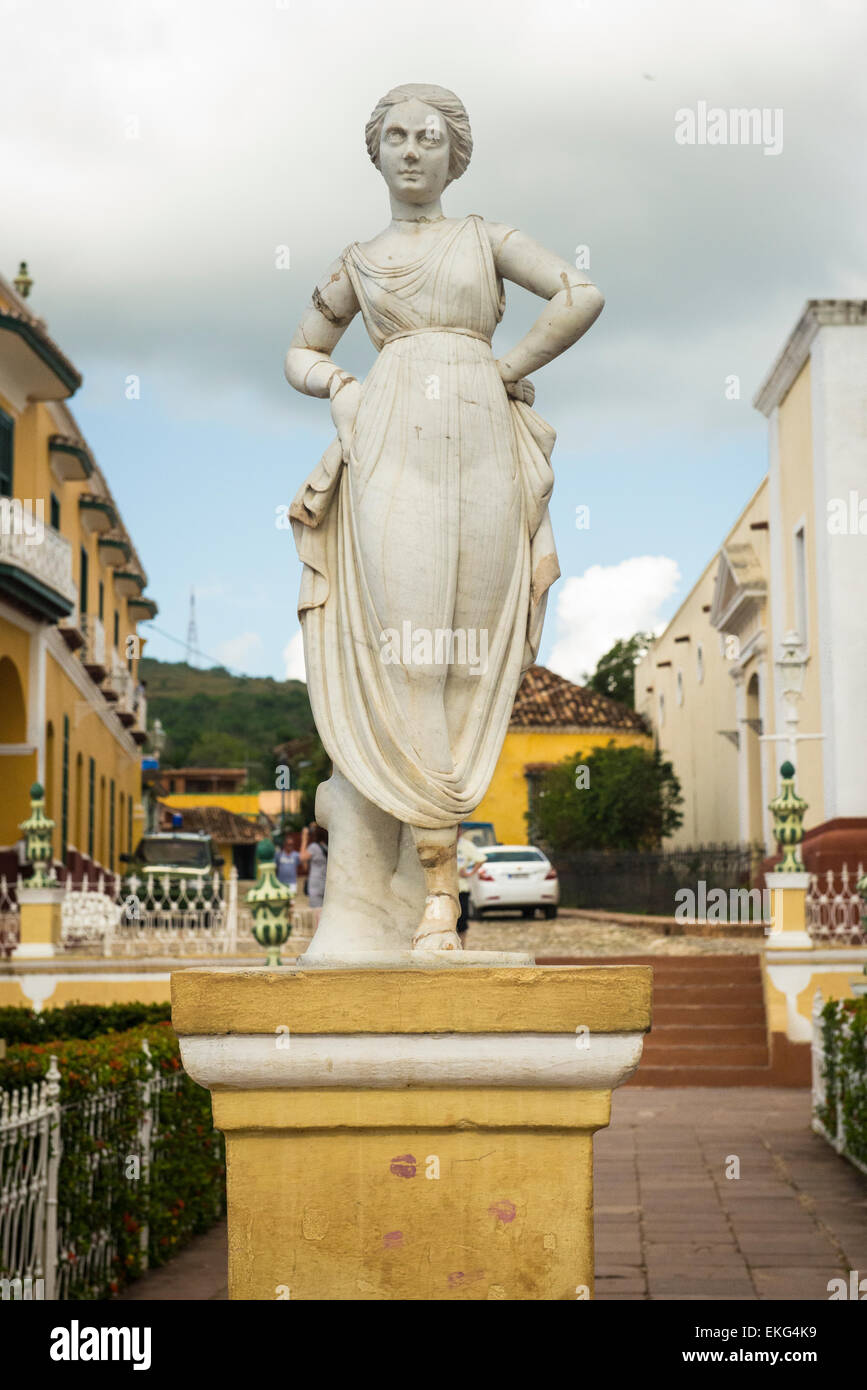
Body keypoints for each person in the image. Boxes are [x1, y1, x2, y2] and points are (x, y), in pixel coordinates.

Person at [285, 83, 603, 952]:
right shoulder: (356, 260)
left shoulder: (485, 238)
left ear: (454, 154)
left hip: (481, 444)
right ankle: (430, 891)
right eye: (397, 136)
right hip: (390, 439)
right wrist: (340, 385)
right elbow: (299, 351)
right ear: (376, 150)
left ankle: (426, 878)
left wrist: (509, 367)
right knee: (411, 645)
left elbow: (580, 293)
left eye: (430, 137)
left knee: (469, 650)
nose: (414, 150)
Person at [456, 827, 486, 935]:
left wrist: (470, 873)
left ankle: (462, 947)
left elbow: (481, 859)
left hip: (461, 888)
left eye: (459, 830)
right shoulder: (445, 843)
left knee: (461, 922)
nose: (457, 833)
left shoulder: (466, 845)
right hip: (444, 889)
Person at [301, 824, 328, 920]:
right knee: (325, 914)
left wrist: (304, 838)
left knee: (317, 916)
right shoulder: (328, 847)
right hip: (325, 885)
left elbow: (302, 857)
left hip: (315, 886)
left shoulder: (314, 847)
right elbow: (306, 866)